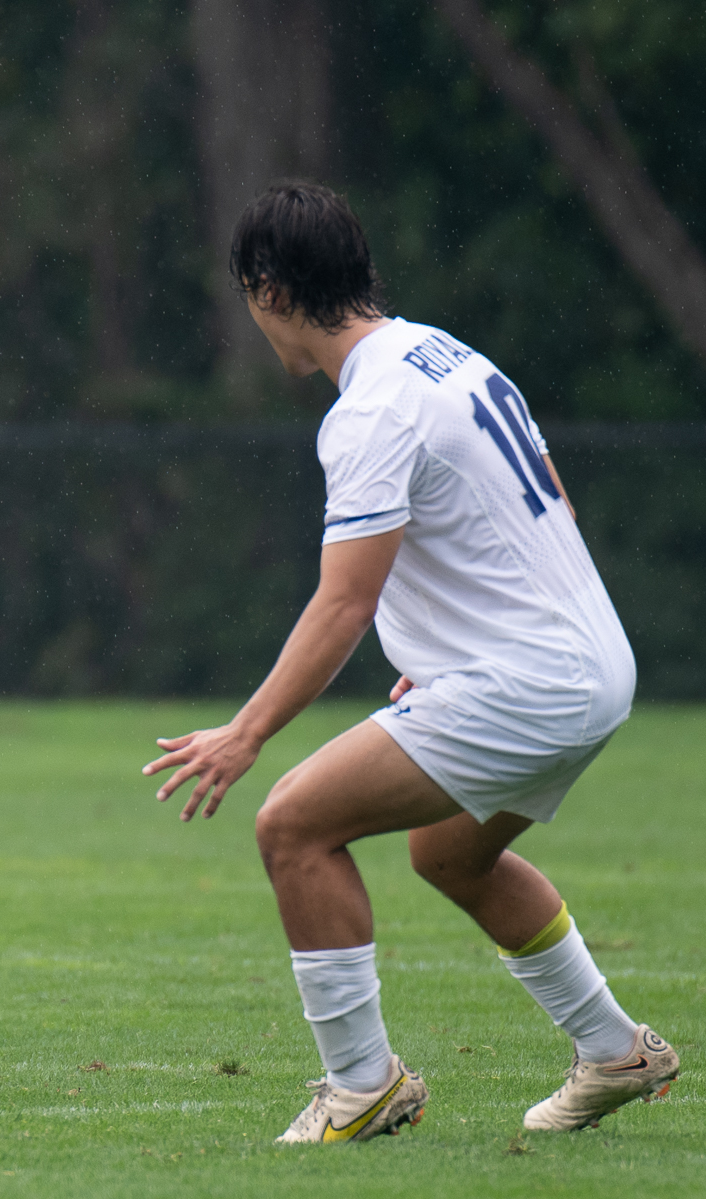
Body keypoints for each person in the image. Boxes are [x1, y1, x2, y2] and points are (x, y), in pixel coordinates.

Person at [143, 183, 677, 1142]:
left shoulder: (371, 410)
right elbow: (531, 511)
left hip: (531, 681)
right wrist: (452, 649)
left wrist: (245, 732)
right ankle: (614, 1051)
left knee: (293, 824)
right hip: (593, 667)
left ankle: (363, 1084)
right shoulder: (444, 354)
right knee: (450, 852)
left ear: (267, 289)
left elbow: (342, 602)